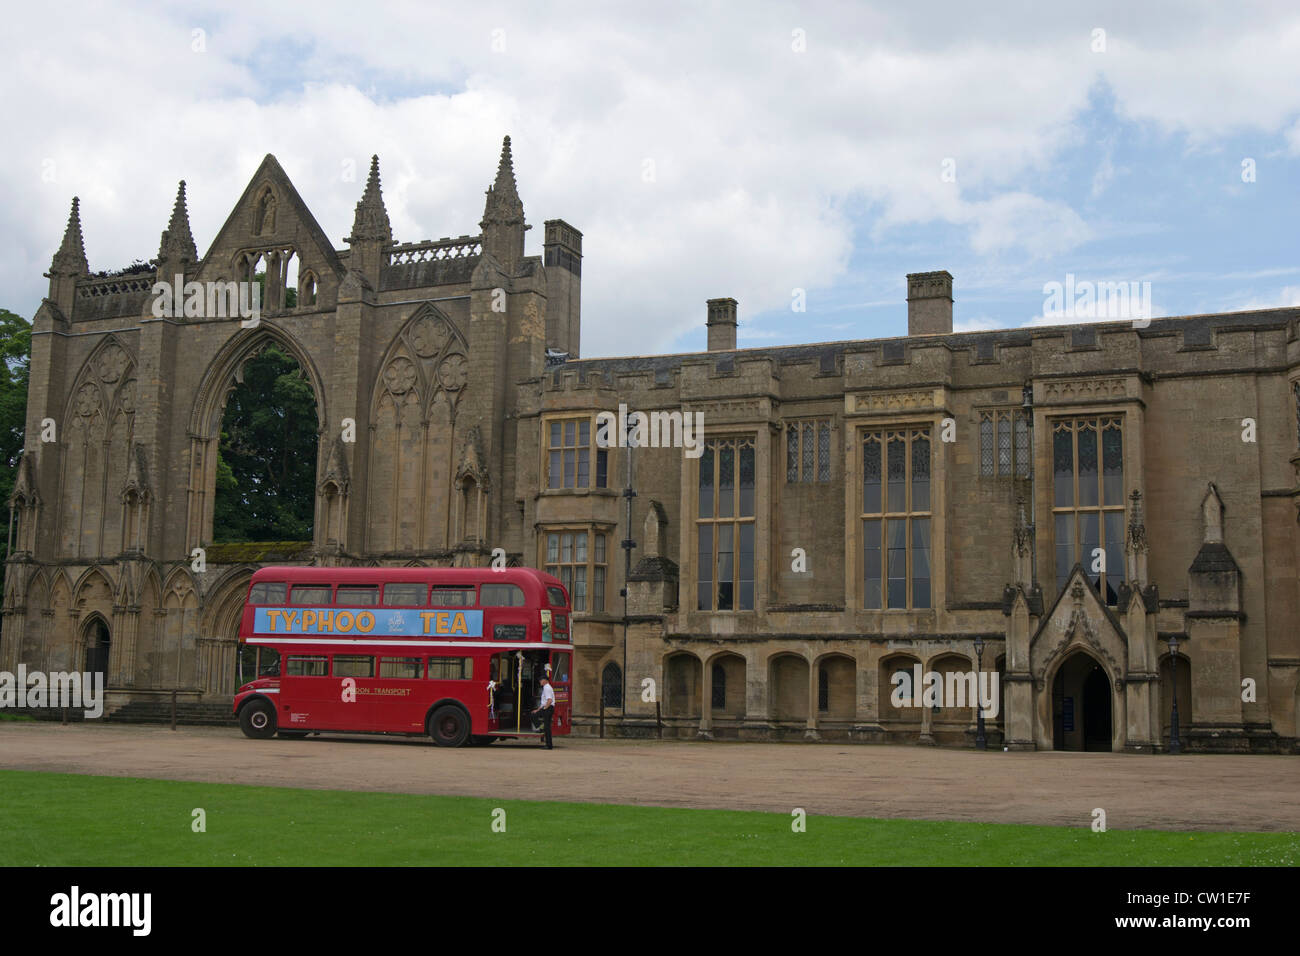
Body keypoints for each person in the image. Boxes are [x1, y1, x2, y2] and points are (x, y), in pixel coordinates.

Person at [532, 676, 556, 749]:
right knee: (547, 726)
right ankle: (549, 744)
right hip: (547, 707)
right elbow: (543, 702)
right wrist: (538, 709)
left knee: (534, 716)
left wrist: (545, 708)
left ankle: (541, 727)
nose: (540, 682)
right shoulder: (546, 687)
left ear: (545, 680)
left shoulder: (547, 688)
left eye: (541, 680)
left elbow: (549, 700)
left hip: (548, 708)